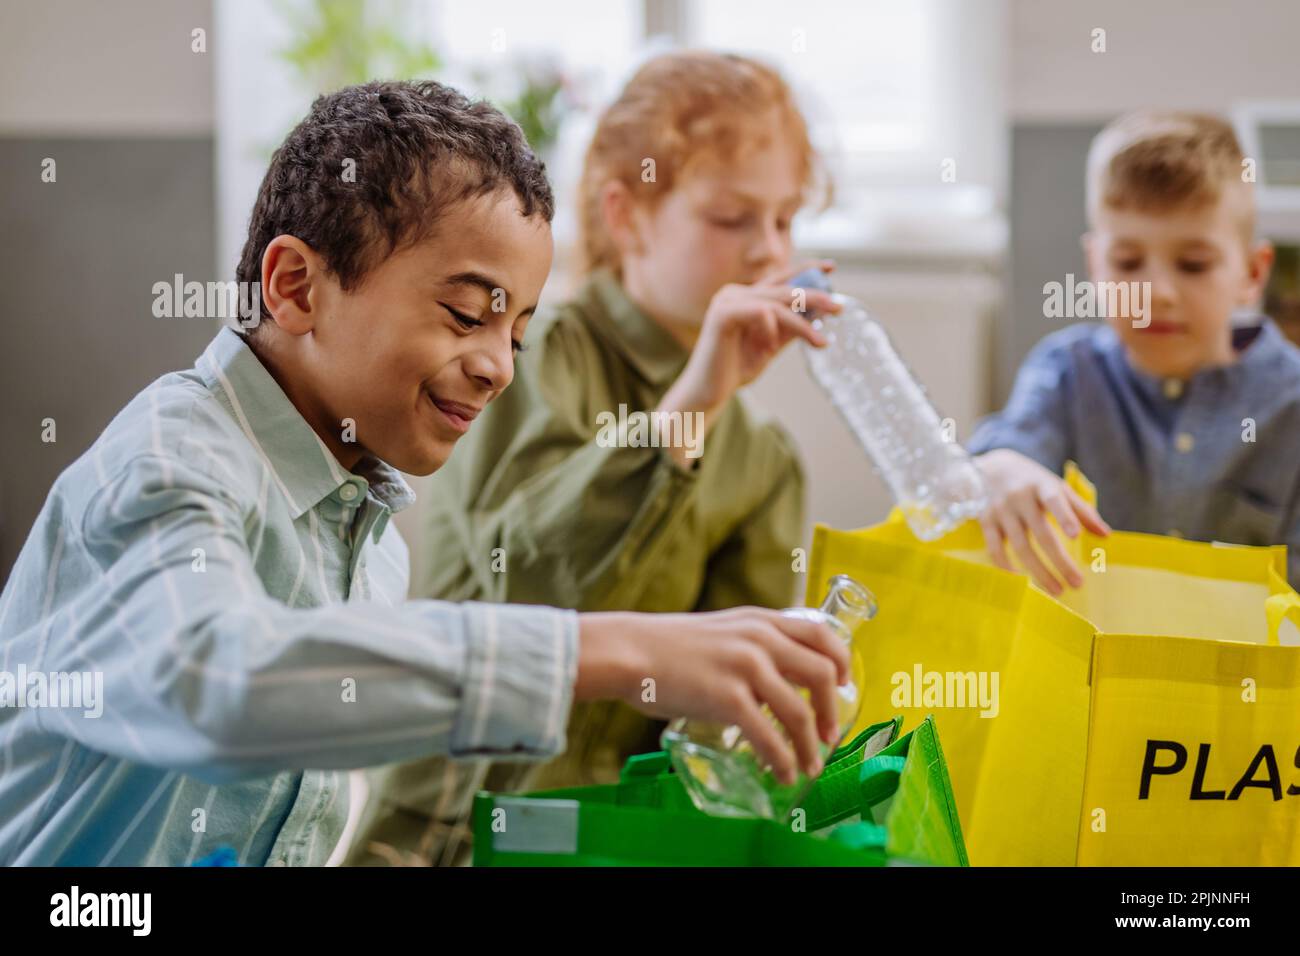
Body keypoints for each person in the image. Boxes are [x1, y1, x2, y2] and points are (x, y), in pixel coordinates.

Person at [0, 80, 849, 866]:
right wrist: (609, 647)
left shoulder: (366, 538)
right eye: (465, 316)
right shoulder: (167, 459)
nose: (498, 368)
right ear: (296, 287)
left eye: (514, 334)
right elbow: (212, 678)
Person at [348, 52, 839, 865]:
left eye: (785, 220)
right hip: (455, 824)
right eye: (732, 219)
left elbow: (717, 724)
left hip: (615, 840)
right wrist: (692, 407)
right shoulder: (533, 356)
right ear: (627, 215)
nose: (768, 250)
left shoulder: (761, 459)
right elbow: (530, 578)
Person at [970, 111, 1300, 594]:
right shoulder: (1065, 373)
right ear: (1093, 265)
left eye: (1193, 265)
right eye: (1127, 263)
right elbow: (1002, 455)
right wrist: (1000, 467)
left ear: (1252, 273)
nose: (1156, 292)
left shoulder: (1290, 405)